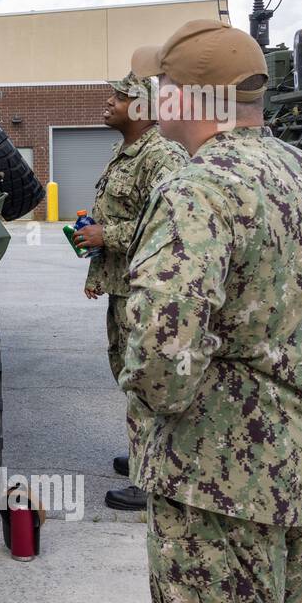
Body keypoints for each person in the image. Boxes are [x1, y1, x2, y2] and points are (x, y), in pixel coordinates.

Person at [120, 19, 302, 603]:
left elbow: (161, 357)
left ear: (179, 98)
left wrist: (154, 406)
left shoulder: (198, 188)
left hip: (221, 481)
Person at [77, 70, 188, 512]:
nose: (109, 103)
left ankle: (154, 478)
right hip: (122, 288)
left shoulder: (163, 158)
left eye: (119, 98)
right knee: (128, 376)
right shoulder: (125, 152)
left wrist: (110, 236)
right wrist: (95, 243)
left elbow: (172, 227)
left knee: (146, 381)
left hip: (148, 290)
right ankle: (146, 455)